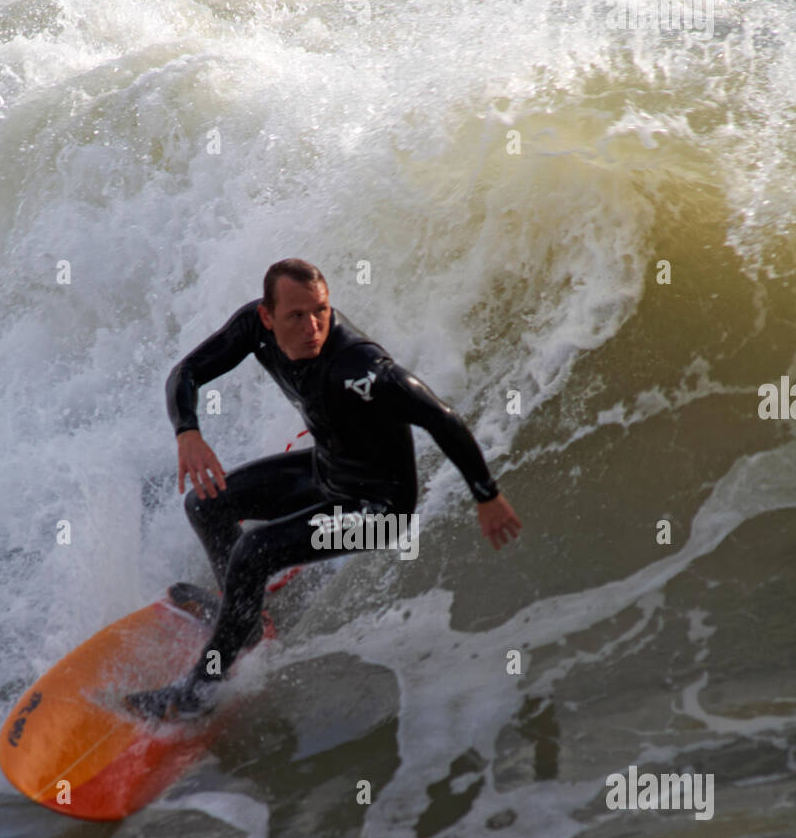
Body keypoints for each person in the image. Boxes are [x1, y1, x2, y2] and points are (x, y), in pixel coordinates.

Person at [125, 258, 521, 719]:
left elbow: (442, 418)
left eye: (322, 311)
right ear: (268, 318)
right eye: (297, 316)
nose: (314, 326)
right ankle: (246, 621)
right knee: (205, 502)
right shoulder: (252, 329)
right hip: (329, 471)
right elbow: (186, 372)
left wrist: (487, 496)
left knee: (254, 550)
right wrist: (187, 431)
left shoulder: (362, 367)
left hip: (380, 510)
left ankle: (198, 692)